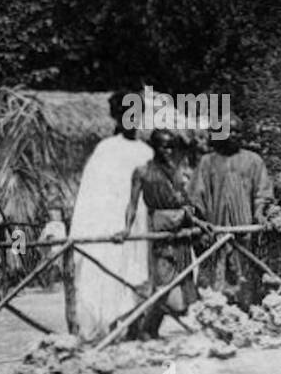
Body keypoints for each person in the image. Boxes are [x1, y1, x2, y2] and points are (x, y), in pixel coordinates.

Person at [70, 89, 153, 341]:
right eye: (126, 114)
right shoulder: (105, 149)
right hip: (109, 221)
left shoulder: (147, 151)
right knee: (108, 269)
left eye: (136, 114)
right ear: (117, 117)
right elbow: (92, 193)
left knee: (137, 269)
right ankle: (106, 328)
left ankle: (135, 327)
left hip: (138, 221)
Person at [189, 120, 281, 310]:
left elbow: (262, 194)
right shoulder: (207, 162)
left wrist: (259, 214)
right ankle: (215, 319)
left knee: (245, 276)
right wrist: (202, 224)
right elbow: (195, 198)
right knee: (215, 282)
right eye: (228, 130)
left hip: (245, 230)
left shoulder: (253, 160)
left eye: (238, 131)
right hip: (216, 230)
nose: (233, 134)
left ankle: (245, 314)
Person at [123, 130, 198, 339]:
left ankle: (151, 329)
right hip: (159, 230)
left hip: (181, 230)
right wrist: (127, 229)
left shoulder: (178, 171)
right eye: (164, 146)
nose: (168, 151)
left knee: (182, 284)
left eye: (171, 147)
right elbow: (132, 204)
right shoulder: (142, 171)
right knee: (163, 284)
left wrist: (193, 217)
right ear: (153, 147)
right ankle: (143, 327)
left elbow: (186, 201)